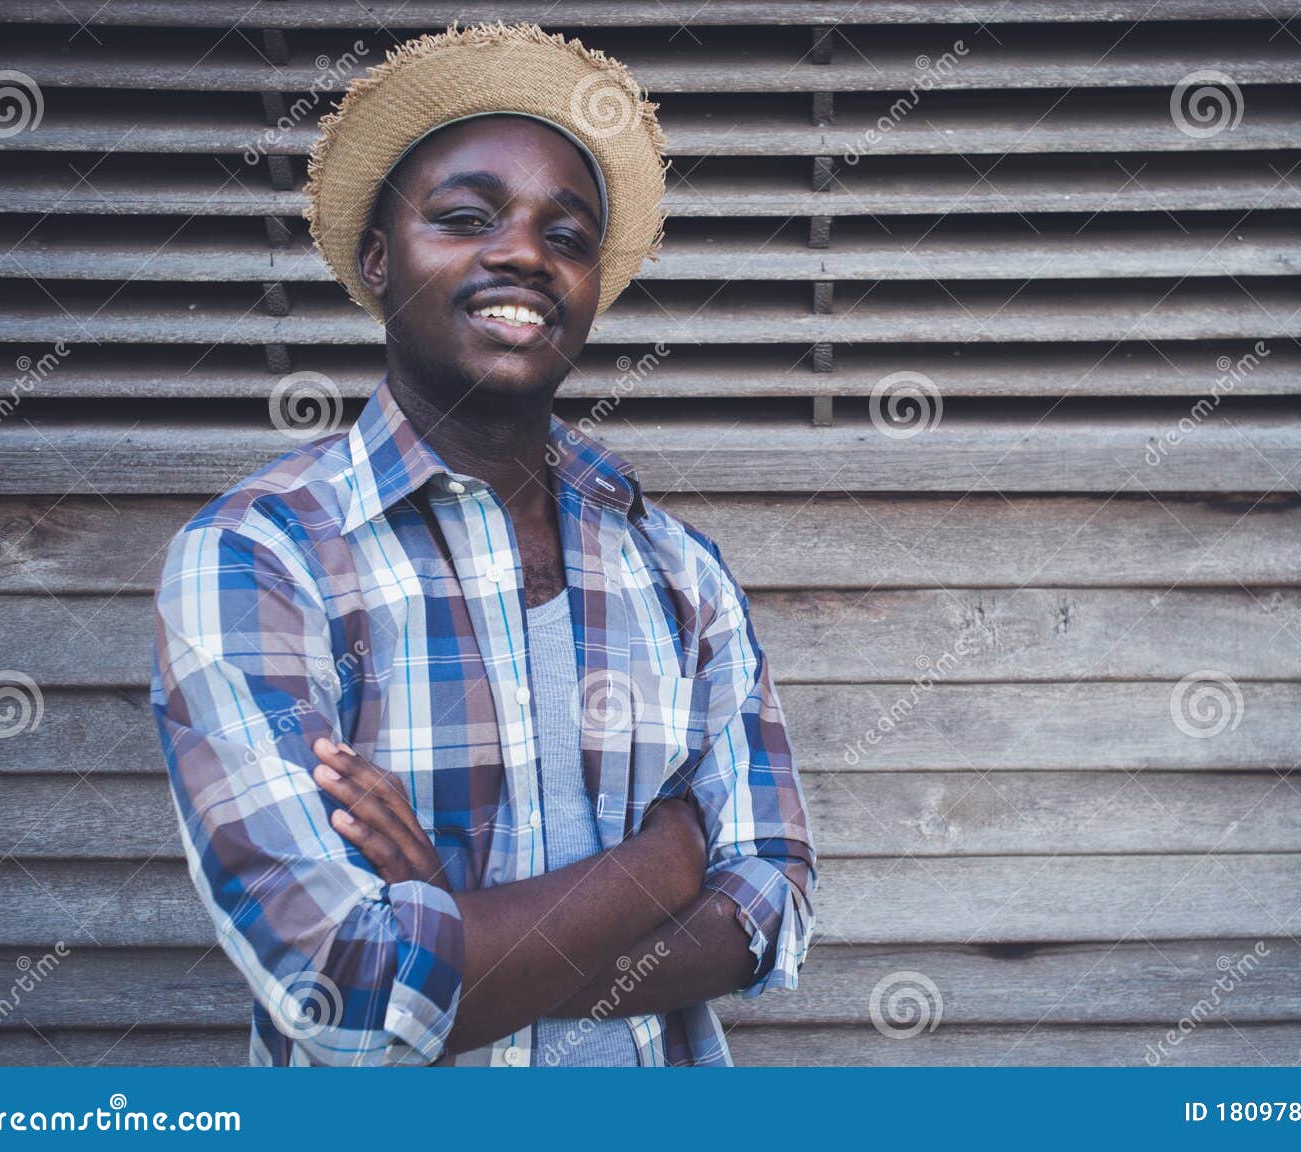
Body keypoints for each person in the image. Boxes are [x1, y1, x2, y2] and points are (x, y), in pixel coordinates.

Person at [150, 22, 815, 1068]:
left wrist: (457, 928)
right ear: (379, 258)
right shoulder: (260, 559)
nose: (522, 254)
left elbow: (770, 904)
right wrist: (667, 858)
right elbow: (352, 989)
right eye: (465, 217)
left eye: (568, 234)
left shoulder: (678, 570)